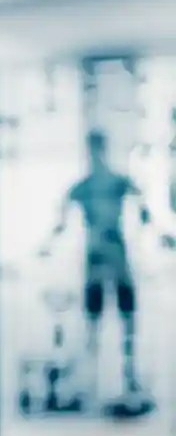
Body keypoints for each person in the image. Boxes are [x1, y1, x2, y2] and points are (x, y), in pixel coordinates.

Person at [39, 129, 176, 405]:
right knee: (94, 319)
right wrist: (48, 245)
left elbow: (144, 212)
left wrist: (161, 234)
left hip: (116, 255)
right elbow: (62, 221)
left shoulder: (116, 182)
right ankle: (92, 381)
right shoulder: (85, 186)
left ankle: (128, 375)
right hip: (97, 257)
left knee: (126, 317)